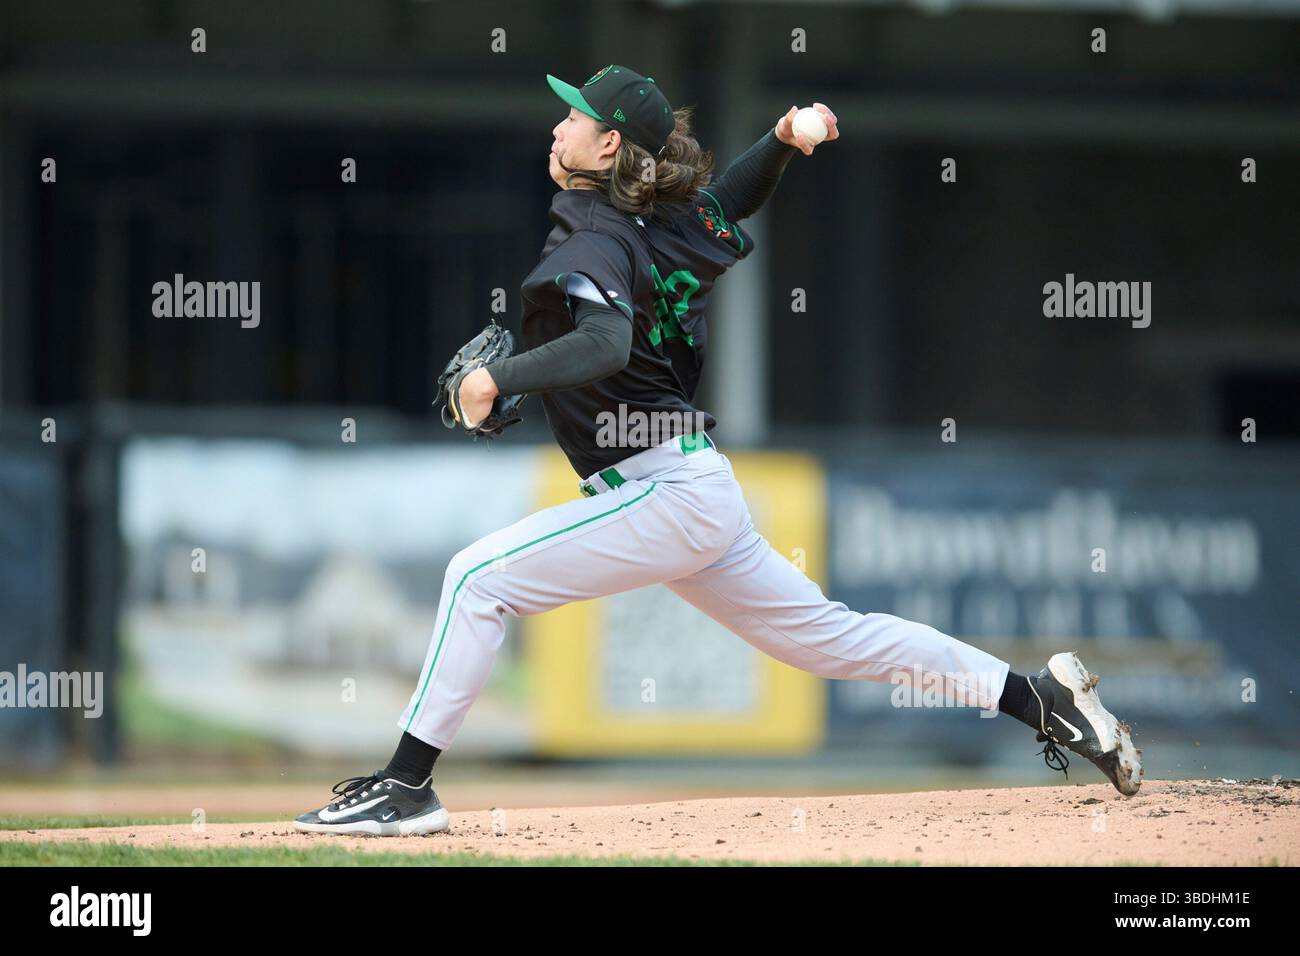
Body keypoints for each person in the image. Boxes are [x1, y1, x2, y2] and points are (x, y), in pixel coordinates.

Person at [294, 65, 1141, 836]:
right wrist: (779, 141)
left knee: (476, 580)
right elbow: (727, 204)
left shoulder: (596, 238)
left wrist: (498, 381)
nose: (559, 126)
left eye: (576, 116)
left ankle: (407, 786)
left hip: (666, 493)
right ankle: (1040, 699)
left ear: (609, 144)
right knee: (834, 640)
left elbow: (605, 344)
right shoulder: (650, 227)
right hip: (690, 493)